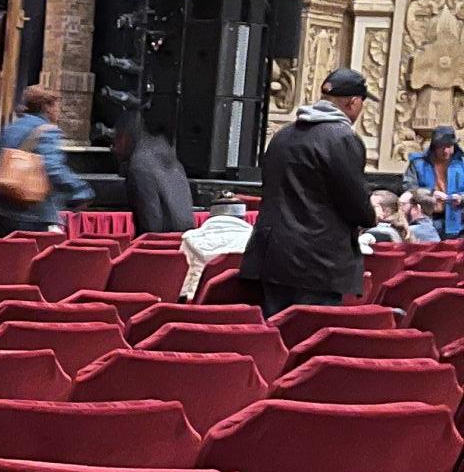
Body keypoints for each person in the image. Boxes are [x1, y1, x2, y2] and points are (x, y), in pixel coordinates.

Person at [240, 67, 377, 314]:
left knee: (277, 336)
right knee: (308, 341)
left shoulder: (282, 136)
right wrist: (371, 215)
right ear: (353, 102)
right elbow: (355, 205)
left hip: (271, 258)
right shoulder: (342, 139)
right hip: (318, 263)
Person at [0, 85, 96, 233]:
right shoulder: (47, 131)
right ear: (47, 107)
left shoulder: (11, 127)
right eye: (56, 106)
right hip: (24, 209)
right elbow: (53, 167)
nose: (57, 111)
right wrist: (81, 190)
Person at [113, 115, 195, 234]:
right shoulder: (169, 157)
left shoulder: (139, 166)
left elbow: (151, 224)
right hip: (185, 241)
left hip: (162, 243)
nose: (115, 148)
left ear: (124, 137)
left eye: (115, 141)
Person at [180, 191, 254, 300]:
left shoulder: (190, 238)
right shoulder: (256, 239)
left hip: (199, 303)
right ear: (242, 215)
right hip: (246, 300)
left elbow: (184, 283)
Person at [405, 124, 464, 238]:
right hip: (426, 220)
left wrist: (461, 197)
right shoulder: (418, 163)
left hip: (457, 222)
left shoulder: (462, 164)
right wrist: (430, 194)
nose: (446, 151)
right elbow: (408, 188)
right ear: (434, 146)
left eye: (449, 146)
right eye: (442, 147)